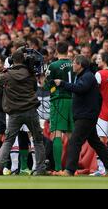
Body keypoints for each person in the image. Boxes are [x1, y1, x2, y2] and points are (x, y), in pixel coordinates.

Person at [54, 55, 108, 176]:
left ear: (80, 65)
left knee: (74, 141)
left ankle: (69, 170)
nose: (72, 65)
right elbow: (95, 96)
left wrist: (63, 83)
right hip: (87, 114)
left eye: (74, 63)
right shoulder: (85, 76)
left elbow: (80, 88)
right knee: (96, 142)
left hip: (86, 115)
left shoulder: (87, 76)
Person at [0, 48, 48, 176]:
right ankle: (40, 169)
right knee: (37, 140)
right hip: (30, 111)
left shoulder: (7, 74)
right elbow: (35, 87)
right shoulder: (31, 74)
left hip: (14, 113)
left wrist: (1, 71)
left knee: (8, 140)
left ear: (13, 60)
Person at [43, 41, 75, 172]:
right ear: (67, 50)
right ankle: (72, 168)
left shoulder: (53, 65)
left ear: (56, 51)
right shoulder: (75, 64)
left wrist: (49, 87)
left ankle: (57, 169)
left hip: (58, 100)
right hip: (73, 100)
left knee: (57, 133)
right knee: (72, 135)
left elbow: (47, 85)